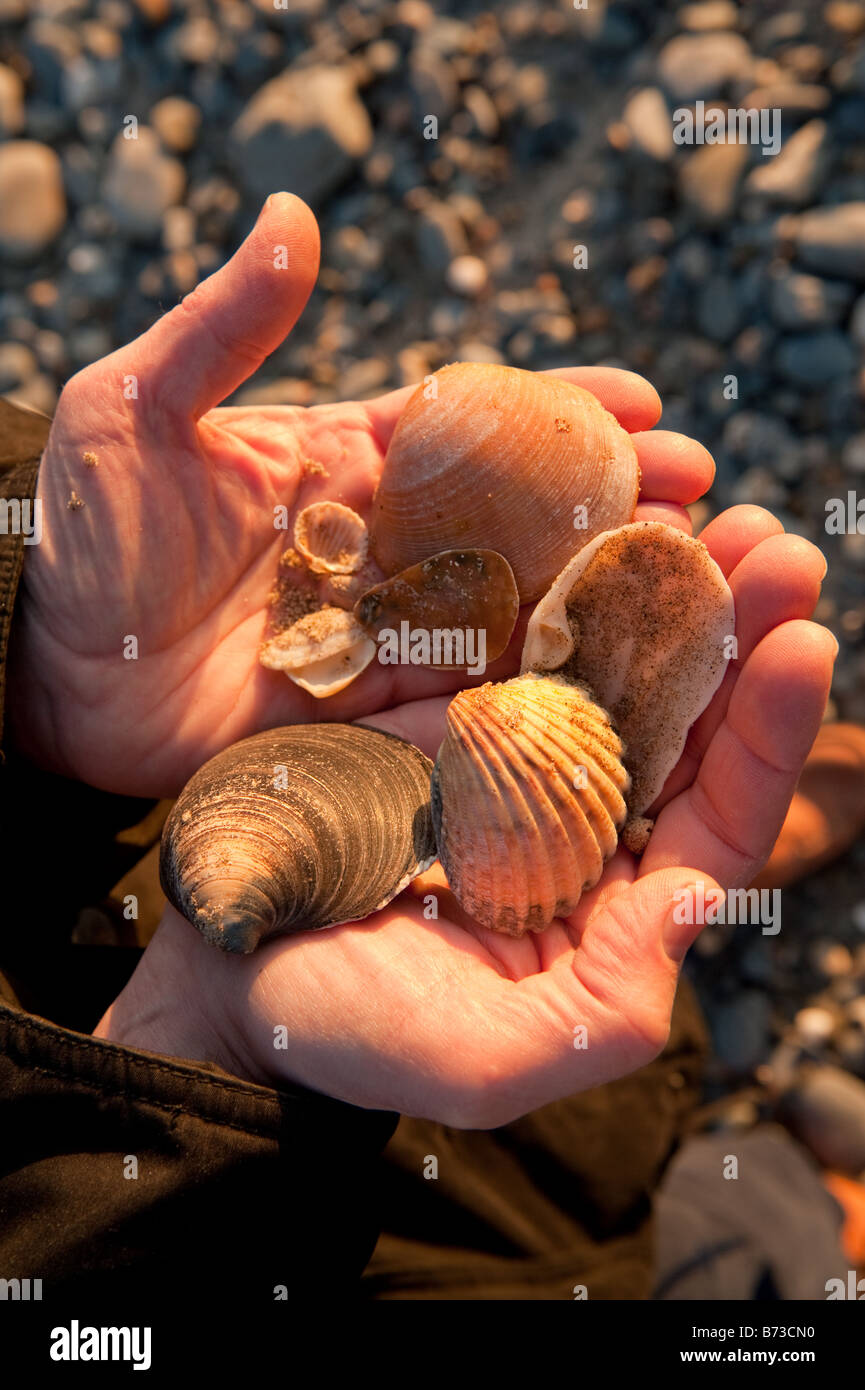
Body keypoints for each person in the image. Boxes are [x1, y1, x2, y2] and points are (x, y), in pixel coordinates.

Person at [0, 193, 840, 1304]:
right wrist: (197, 1064)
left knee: (587, 942)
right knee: (589, 1206)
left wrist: (34, 651)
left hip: (115, 840)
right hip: (244, 1224)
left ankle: (638, 807)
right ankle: (795, 1193)